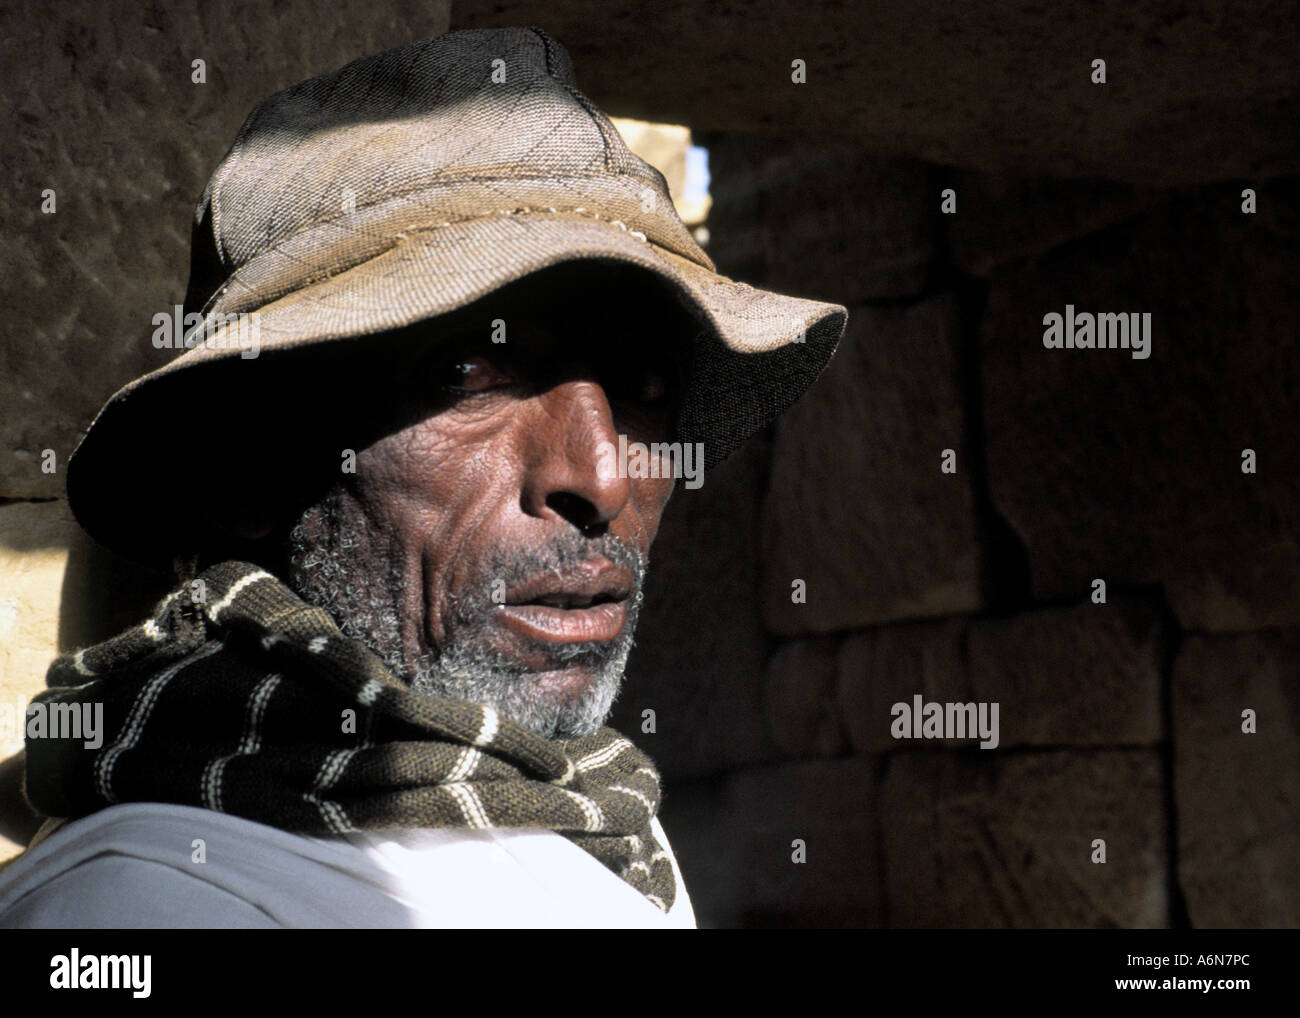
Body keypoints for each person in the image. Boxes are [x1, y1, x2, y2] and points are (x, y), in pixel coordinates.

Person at [0, 25, 846, 928]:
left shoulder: (599, 824)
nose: (603, 478)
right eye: (469, 376)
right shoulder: (144, 906)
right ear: (249, 464)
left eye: (644, 386)